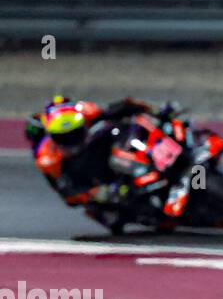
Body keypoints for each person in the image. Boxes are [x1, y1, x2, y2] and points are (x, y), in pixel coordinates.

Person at [24, 95, 159, 227]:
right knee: (107, 208)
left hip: (100, 149)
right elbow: (68, 195)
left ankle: (153, 144)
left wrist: (146, 109)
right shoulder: (48, 157)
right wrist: (93, 194)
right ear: (51, 136)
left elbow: (114, 109)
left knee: (128, 122)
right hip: (89, 177)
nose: (71, 140)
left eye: (75, 133)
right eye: (63, 137)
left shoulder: (87, 110)